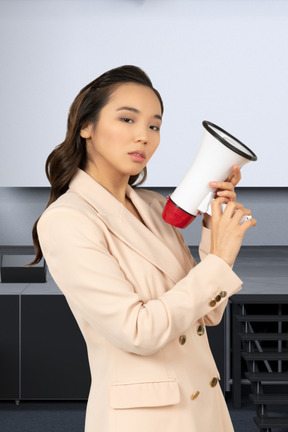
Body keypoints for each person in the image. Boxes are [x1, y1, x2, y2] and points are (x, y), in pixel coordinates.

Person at [31, 65, 256, 432]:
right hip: (146, 420)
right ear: (85, 127)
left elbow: (207, 316)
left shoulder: (152, 206)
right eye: (127, 119)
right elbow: (138, 332)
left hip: (204, 412)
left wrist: (215, 230)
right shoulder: (67, 220)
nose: (144, 137)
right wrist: (222, 260)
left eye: (154, 126)